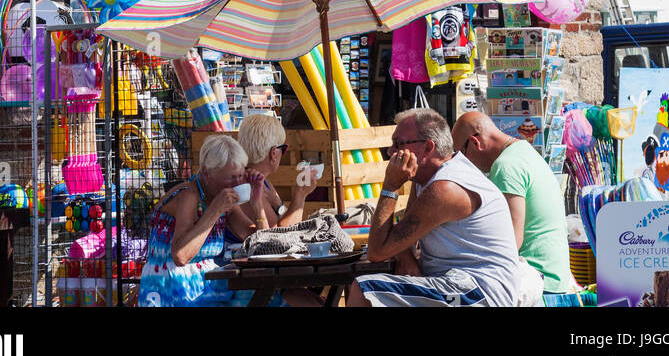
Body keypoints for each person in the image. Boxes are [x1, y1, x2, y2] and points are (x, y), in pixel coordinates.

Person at [347, 107, 522, 307]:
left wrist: (391, 185)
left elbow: (377, 251)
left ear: (428, 148)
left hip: (481, 291)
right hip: (460, 284)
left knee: (365, 291)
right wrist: (405, 255)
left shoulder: (445, 189)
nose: (390, 151)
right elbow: (401, 236)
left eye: (398, 144)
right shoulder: (427, 179)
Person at [452, 111, 575, 296]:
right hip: (554, 278)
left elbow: (508, 243)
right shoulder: (524, 151)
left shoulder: (505, 166)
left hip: (536, 283)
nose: (464, 163)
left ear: (475, 143)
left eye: (461, 155)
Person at [137, 134, 263, 307]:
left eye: (241, 175)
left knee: (272, 297)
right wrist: (215, 211)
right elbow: (180, 256)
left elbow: (260, 246)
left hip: (206, 286)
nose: (238, 183)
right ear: (206, 172)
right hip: (171, 289)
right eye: (231, 177)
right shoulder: (188, 195)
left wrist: (257, 204)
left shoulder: (221, 199)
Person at [237, 112, 320, 227]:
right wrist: (300, 195)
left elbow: (283, 220)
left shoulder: (260, 180)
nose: (283, 153)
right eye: (284, 149)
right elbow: (281, 234)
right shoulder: (250, 185)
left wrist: (278, 204)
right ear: (273, 153)